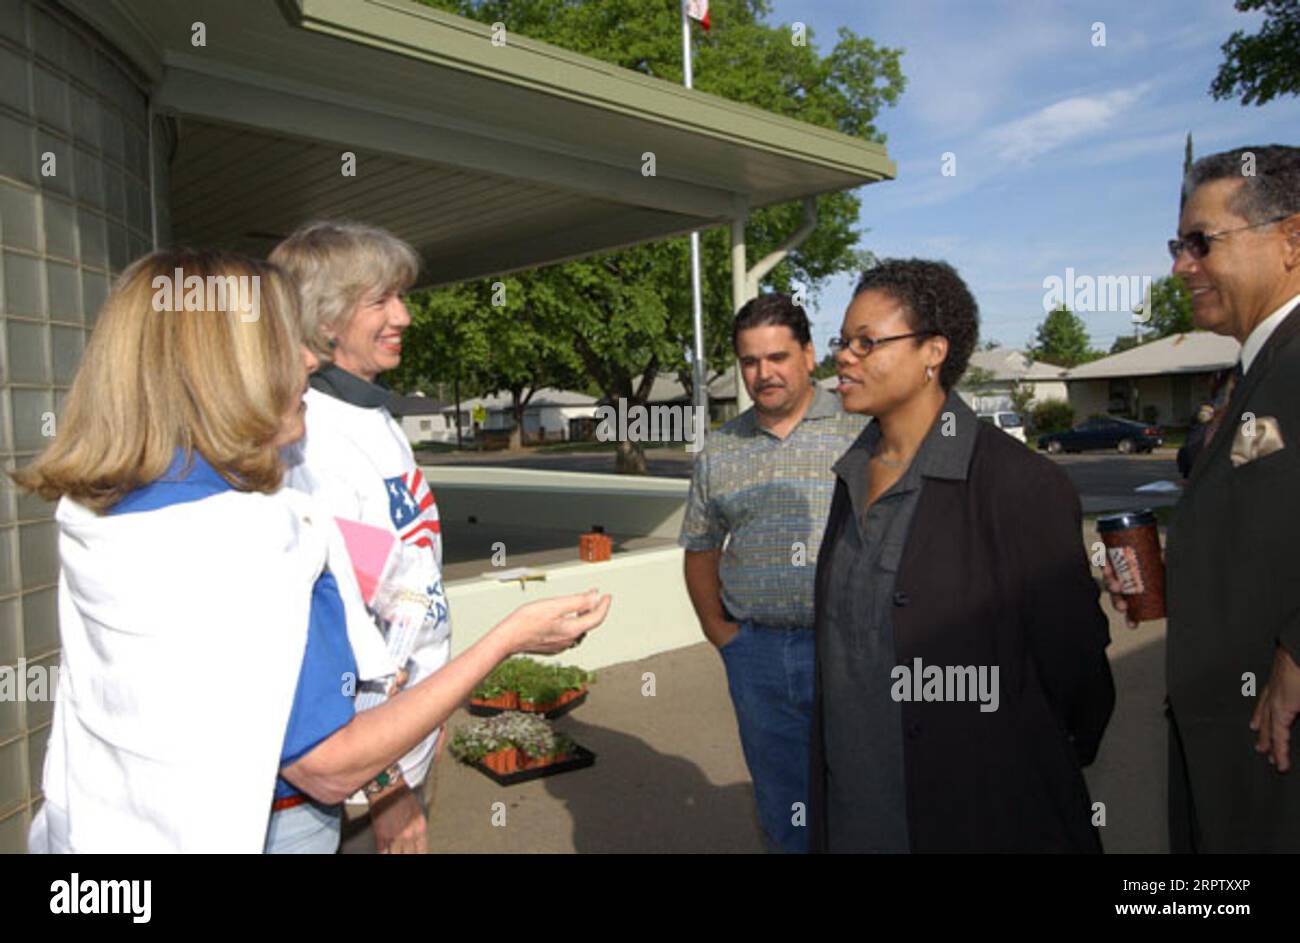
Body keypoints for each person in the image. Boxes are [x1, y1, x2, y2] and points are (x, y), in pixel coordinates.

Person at [14, 248, 611, 853]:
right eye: (278, 343)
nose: (308, 360)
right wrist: (508, 638)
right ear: (220, 370)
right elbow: (328, 763)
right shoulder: (249, 538)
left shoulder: (102, 508)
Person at [810, 259, 1114, 853]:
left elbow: (1074, 664)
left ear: (933, 353)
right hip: (856, 803)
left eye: (867, 342)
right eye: (842, 342)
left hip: (976, 805)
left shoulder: (1018, 484)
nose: (844, 357)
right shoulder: (851, 474)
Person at [1106, 145, 1300, 852]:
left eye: (1201, 243)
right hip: (1228, 742)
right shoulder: (1258, 367)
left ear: (1292, 239)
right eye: (1177, 244)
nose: (1181, 265)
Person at [270, 220, 450, 854]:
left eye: (400, 296)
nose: (403, 315)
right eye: (379, 301)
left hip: (400, 743)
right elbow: (342, 631)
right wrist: (390, 791)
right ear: (324, 322)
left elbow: (398, 586)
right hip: (358, 780)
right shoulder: (310, 435)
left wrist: (431, 712)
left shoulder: (369, 412)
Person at [679, 293, 865, 853]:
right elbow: (700, 547)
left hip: (852, 647)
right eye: (750, 361)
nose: (765, 373)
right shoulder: (721, 450)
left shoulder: (862, 428)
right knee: (786, 802)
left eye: (778, 357)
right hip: (758, 653)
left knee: (866, 790)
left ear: (809, 355)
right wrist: (724, 635)